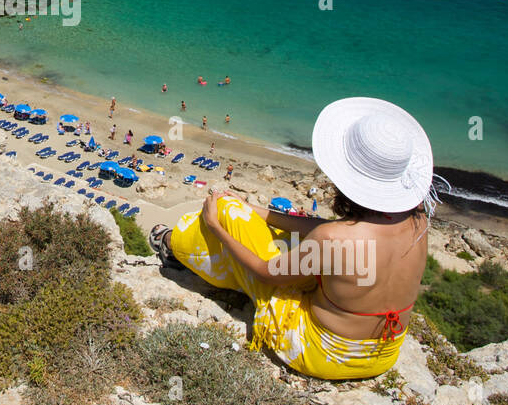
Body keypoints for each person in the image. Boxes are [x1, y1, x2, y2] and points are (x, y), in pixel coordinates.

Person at [146, 97, 438, 381]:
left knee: (227, 212)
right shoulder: (418, 222)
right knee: (276, 234)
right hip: (385, 354)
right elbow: (334, 232)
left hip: (322, 354)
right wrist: (259, 211)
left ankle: (173, 245)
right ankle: (182, 244)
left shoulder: (332, 238)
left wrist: (217, 227)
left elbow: (266, 273)